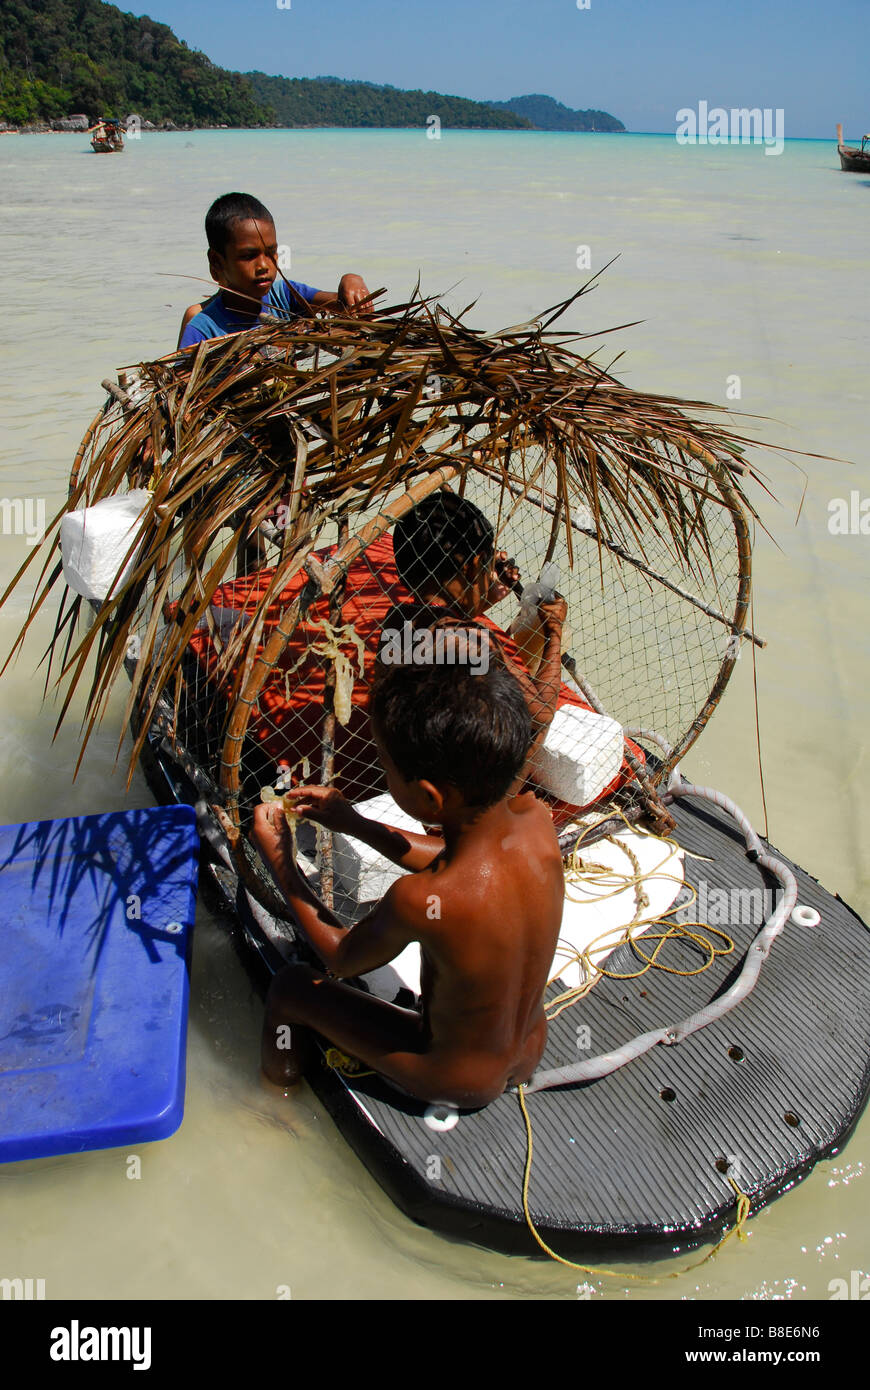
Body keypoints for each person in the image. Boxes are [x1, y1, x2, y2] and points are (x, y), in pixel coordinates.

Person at [252, 659, 565, 1108]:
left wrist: (282, 861)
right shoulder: (537, 821)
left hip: (456, 1079)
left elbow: (341, 958)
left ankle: (275, 1095)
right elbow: (466, 865)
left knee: (291, 988)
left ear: (429, 797)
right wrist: (355, 824)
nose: (383, 769)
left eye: (385, 764)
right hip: (530, 1050)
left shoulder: (419, 900)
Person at [177, 192, 373, 350]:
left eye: (271, 252)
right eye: (248, 255)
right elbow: (181, 391)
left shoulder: (285, 298)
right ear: (217, 263)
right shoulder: (203, 330)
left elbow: (344, 307)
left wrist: (351, 279)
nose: (264, 265)